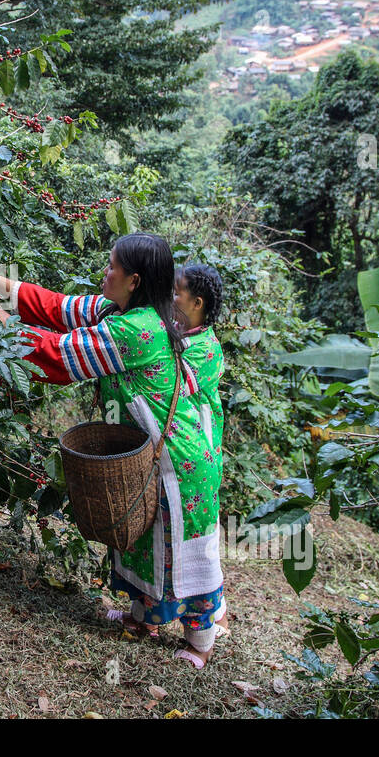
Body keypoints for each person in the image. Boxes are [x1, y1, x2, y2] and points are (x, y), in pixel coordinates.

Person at [0, 234, 224, 666]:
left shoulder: (138, 330)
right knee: (141, 537)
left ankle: (201, 640)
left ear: (134, 280)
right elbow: (60, 308)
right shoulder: (122, 311)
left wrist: (6, 326)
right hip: (148, 456)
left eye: (112, 267)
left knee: (181, 550)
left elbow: (60, 357)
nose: (105, 273)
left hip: (179, 464)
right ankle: (142, 618)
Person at [175, 263, 229, 640]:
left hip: (197, 452)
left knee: (198, 537)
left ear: (196, 303)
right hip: (178, 452)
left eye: (176, 292)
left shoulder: (206, 348)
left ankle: (209, 625)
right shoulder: (178, 332)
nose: (170, 297)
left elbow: (174, 382)